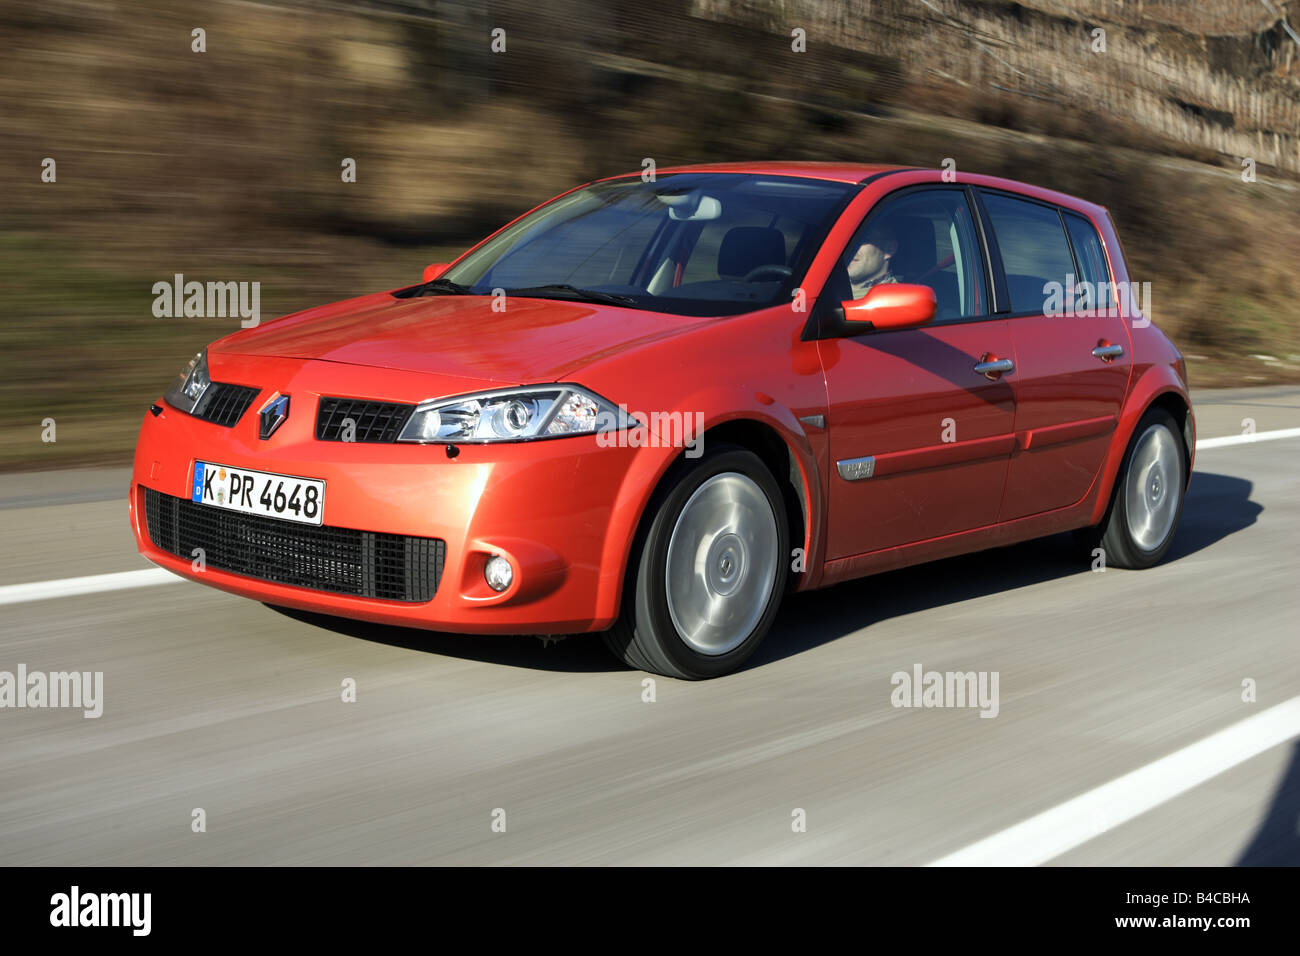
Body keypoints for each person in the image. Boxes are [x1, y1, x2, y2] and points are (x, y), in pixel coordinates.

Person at [846, 222, 899, 300]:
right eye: (848, 241)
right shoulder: (827, 285)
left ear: (890, 249)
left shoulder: (895, 300)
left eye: (863, 240)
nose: (851, 248)